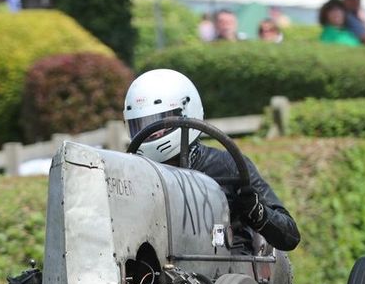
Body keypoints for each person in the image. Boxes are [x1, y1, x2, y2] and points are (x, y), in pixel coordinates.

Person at [121, 69, 300, 252]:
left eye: (158, 121)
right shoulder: (133, 174)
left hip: (228, 272)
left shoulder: (229, 165)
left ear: (186, 112)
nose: (151, 132)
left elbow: (290, 236)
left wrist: (257, 212)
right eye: (140, 125)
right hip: (157, 274)